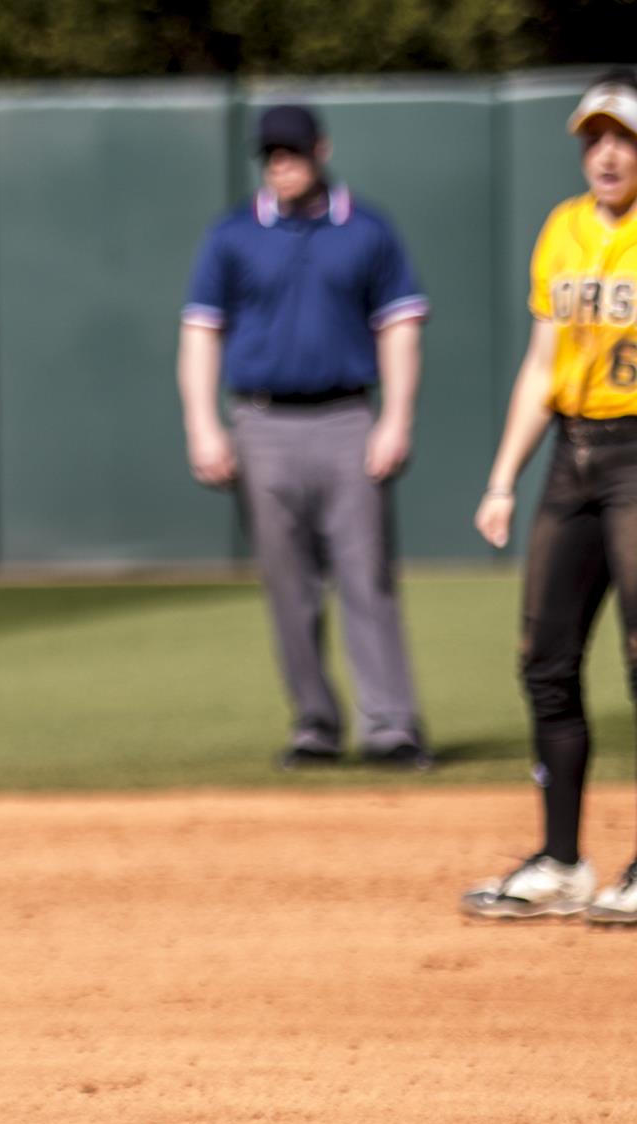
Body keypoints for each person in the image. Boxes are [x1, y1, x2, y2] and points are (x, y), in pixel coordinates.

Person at [178, 103, 435, 771]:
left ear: (320, 149)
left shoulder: (366, 229)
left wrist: (396, 417)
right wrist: (204, 423)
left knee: (366, 580)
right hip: (262, 422)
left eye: (291, 151)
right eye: (270, 153)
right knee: (288, 586)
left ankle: (391, 728)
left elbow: (400, 326)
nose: (280, 163)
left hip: (348, 418)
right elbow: (201, 331)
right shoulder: (233, 233)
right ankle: (315, 726)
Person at [461, 71, 637, 922]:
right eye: (594, 136)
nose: (607, 152)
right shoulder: (564, 231)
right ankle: (564, 862)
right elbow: (541, 365)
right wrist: (503, 478)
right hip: (573, 459)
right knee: (546, 659)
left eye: (625, 136)